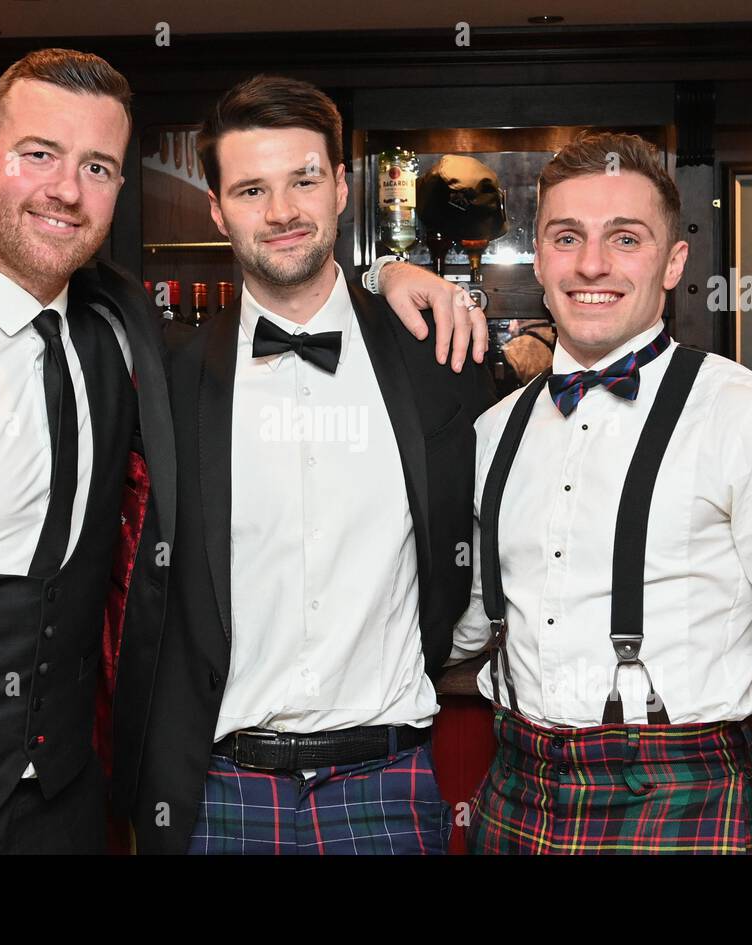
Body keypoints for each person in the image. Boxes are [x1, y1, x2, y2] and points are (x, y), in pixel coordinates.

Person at [0, 48, 483, 855]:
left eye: (99, 167)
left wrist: (390, 272)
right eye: (38, 153)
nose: (66, 189)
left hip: (72, 811)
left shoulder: (119, 342)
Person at [448, 132, 752, 854]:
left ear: (674, 261)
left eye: (626, 238)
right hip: (511, 801)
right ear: (541, 259)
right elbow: (467, 620)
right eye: (567, 237)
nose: (592, 263)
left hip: (681, 807)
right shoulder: (493, 431)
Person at [123, 75, 494, 854]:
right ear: (217, 209)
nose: (284, 210)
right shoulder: (168, 382)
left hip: (386, 786)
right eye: (253, 189)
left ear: (343, 190)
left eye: (304, 179)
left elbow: (487, 541)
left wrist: (390, 271)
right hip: (219, 790)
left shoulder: (439, 358)